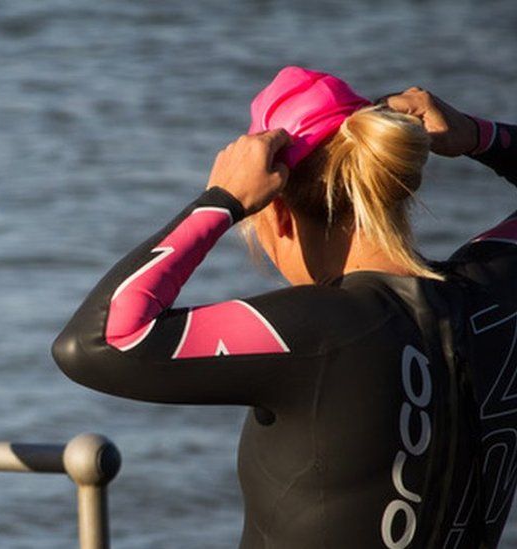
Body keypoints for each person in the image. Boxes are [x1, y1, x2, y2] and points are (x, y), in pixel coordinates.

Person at [52, 65, 517, 548]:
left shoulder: (318, 331)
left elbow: (99, 341)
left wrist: (222, 201)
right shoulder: (494, 291)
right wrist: (479, 136)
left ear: (277, 213)